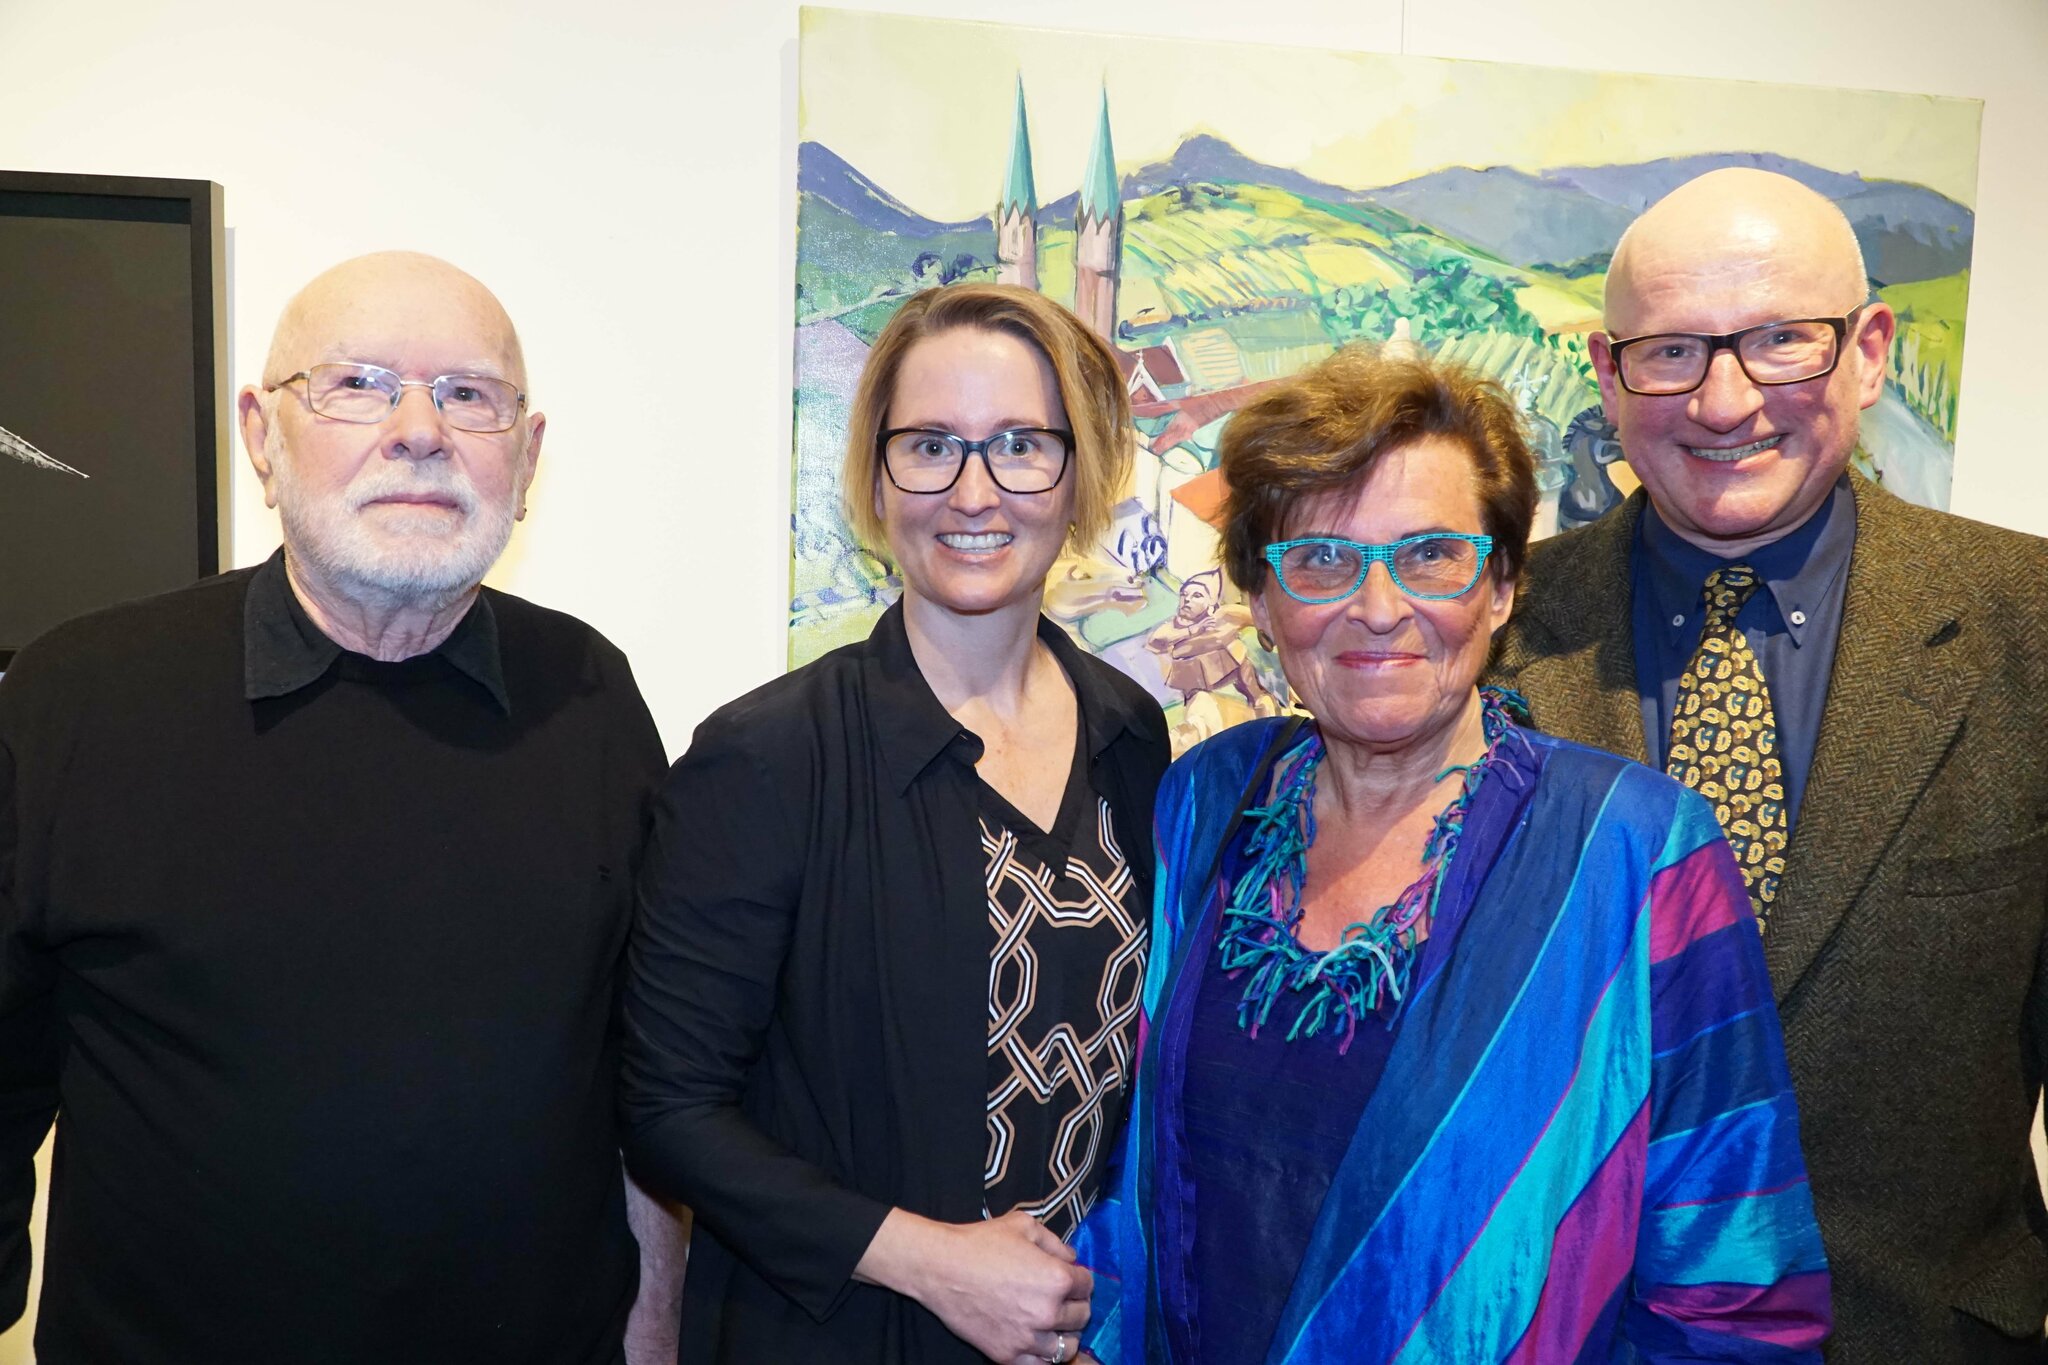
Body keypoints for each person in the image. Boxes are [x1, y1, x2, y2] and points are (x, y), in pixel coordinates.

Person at [1074, 346, 1829, 1363]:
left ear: (1502, 586)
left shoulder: (1637, 854)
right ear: (1261, 603)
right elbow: (1128, 1180)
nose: (1377, 609)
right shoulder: (1206, 800)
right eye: (1321, 561)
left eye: (1429, 555)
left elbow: (1736, 1291)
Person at [0, 252, 684, 1364]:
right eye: (357, 383)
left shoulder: (590, 696)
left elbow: (645, 1077)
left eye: (469, 395)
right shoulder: (78, 699)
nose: (419, 430)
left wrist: (655, 1331)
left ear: (526, 457)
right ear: (261, 437)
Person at [1489, 167, 2048, 1363]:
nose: (1724, 399)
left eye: (1778, 341)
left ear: (1867, 350)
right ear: (1605, 370)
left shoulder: (2029, 628)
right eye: (1672, 352)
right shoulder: (1495, 637)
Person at [620, 283, 1169, 1365]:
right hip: (836, 1338)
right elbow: (666, 1107)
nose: (973, 490)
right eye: (929, 446)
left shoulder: (1130, 736)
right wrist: (931, 1259)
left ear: (1081, 474)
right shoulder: (769, 758)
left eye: (1020, 444)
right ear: (876, 473)